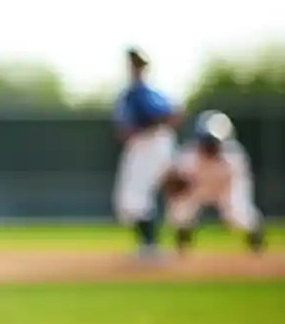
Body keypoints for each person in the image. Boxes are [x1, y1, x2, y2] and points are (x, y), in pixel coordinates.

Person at [112, 47, 183, 259]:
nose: (134, 68)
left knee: (136, 196)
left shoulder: (144, 93)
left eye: (137, 64)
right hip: (147, 143)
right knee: (132, 198)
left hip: (151, 143)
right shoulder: (133, 93)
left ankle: (150, 246)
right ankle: (149, 244)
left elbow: (172, 115)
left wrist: (150, 125)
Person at [163, 110, 266, 255]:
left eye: (213, 140)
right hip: (197, 188)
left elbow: (239, 184)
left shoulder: (234, 155)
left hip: (226, 188)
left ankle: (256, 244)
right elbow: (174, 181)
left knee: (239, 213)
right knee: (181, 209)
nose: (209, 144)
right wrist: (176, 186)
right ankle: (183, 246)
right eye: (206, 140)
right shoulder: (188, 155)